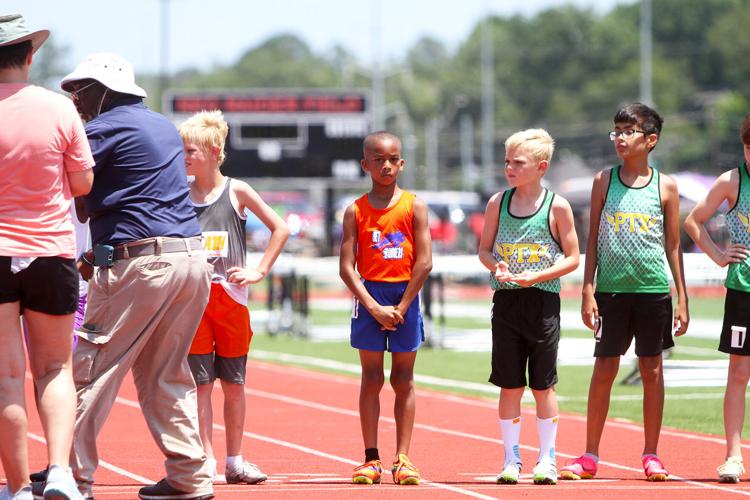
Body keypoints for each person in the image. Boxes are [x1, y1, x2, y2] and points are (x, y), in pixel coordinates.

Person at [45, 53, 214, 500]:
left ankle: (71, 475)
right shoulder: (160, 124)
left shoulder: (105, 128)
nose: (75, 99)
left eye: (80, 90)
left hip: (141, 263)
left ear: (105, 90)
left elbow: (73, 187)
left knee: (90, 370)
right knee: (166, 375)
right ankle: (189, 478)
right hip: (191, 261)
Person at [560, 103, 689, 482]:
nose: (619, 137)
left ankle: (651, 454)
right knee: (604, 369)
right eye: (616, 130)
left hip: (653, 292)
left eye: (627, 131)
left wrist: (682, 296)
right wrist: (587, 289)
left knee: (652, 369)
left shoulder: (666, 186)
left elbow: (674, 246)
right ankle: (589, 455)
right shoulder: (604, 180)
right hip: (611, 292)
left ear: (651, 140)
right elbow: (593, 239)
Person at [0, 14, 94, 500]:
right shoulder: (60, 109)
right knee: (55, 368)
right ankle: (59, 472)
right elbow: (82, 184)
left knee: (7, 375)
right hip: (51, 249)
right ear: (30, 55)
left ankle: (16, 489)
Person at [178, 110, 289, 484]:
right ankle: (205, 461)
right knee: (200, 386)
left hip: (232, 301)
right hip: (192, 301)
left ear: (213, 150)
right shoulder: (178, 194)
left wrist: (259, 271)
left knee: (234, 384)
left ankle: (235, 460)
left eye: (190, 150)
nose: (184, 157)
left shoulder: (236, 191)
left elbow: (281, 227)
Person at [477, 129, 580, 485]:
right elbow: (484, 250)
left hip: (543, 304)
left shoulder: (558, 206)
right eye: (506, 161)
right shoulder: (497, 204)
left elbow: (572, 258)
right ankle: (511, 459)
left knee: (543, 386)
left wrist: (537, 275)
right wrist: (497, 267)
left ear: (540, 166)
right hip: (506, 302)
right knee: (509, 385)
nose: (509, 168)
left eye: (517, 162)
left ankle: (547, 459)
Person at [339, 131, 432, 486]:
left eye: (393, 158)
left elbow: (424, 262)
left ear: (402, 162)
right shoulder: (355, 211)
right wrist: (374, 306)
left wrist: (403, 305)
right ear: (365, 164)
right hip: (370, 296)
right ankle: (370, 458)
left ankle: (403, 459)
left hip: (405, 295)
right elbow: (347, 267)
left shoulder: (414, 206)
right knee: (372, 378)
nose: (386, 165)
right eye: (378, 160)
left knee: (404, 379)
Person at [684, 114, 750, 483]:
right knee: (739, 372)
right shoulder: (732, 181)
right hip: (744, 289)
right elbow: (694, 221)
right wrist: (718, 254)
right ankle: (733, 457)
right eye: (749, 147)